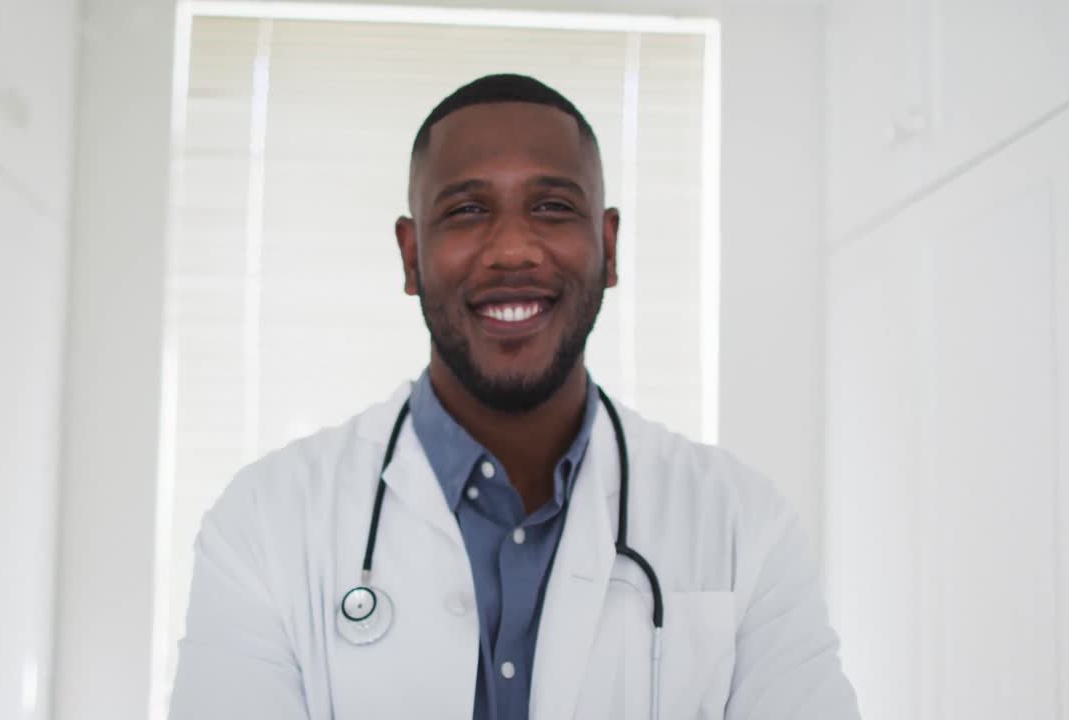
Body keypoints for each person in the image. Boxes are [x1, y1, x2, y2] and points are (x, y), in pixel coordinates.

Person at [168, 73, 859, 720]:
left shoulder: (744, 524)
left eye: (553, 207)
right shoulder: (262, 525)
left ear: (608, 246)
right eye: (467, 210)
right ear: (411, 257)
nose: (513, 249)